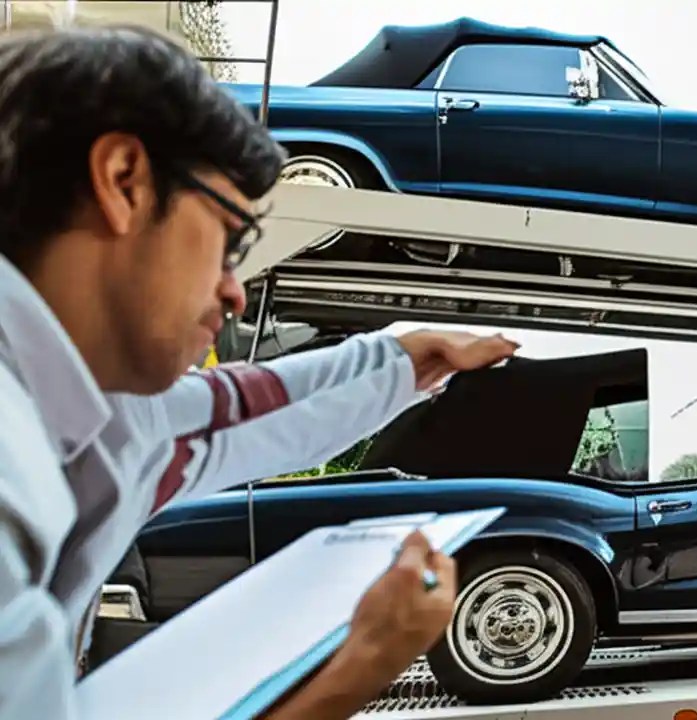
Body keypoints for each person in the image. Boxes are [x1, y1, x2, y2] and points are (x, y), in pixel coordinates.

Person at [0, 25, 519, 719]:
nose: (235, 289)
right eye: (228, 240)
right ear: (123, 181)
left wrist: (400, 361)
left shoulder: (91, 415)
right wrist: (355, 670)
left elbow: (235, 412)